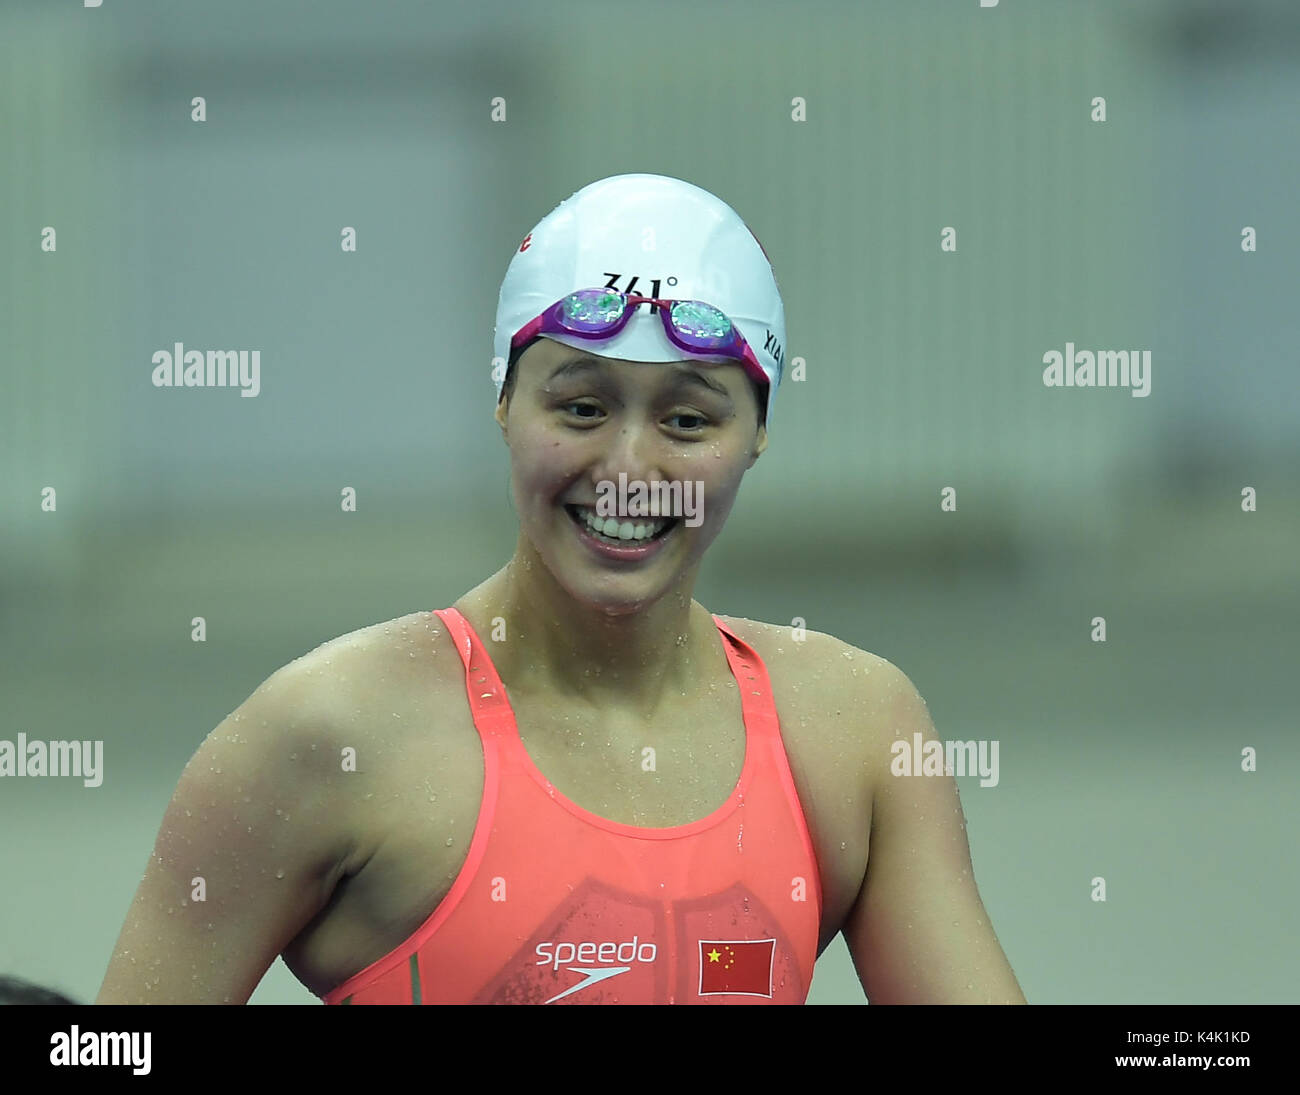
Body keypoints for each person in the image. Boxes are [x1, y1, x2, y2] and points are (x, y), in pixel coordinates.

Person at [95, 173, 1025, 1005]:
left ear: (758, 433)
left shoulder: (854, 731)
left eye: (688, 418)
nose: (628, 467)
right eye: (581, 406)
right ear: (504, 401)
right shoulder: (327, 734)